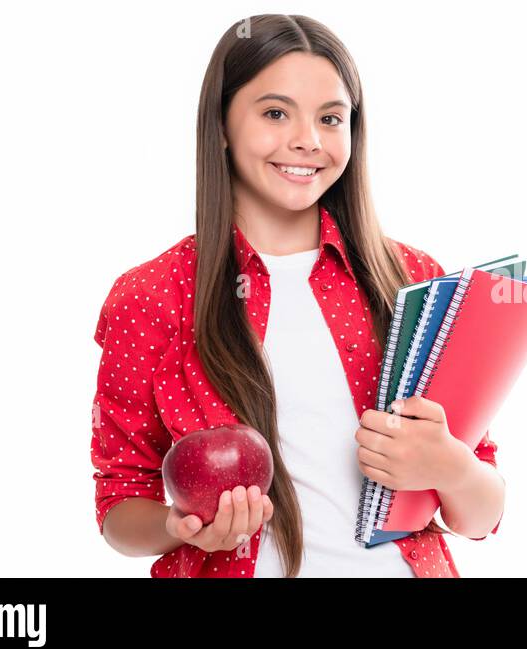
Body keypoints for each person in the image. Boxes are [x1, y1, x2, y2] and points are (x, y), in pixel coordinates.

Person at [91, 14, 504, 578]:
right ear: (221, 124)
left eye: (331, 118)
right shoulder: (152, 296)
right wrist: (179, 527)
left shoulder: (414, 281)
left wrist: (453, 469)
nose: (308, 140)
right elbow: (119, 505)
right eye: (275, 113)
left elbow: (482, 513)